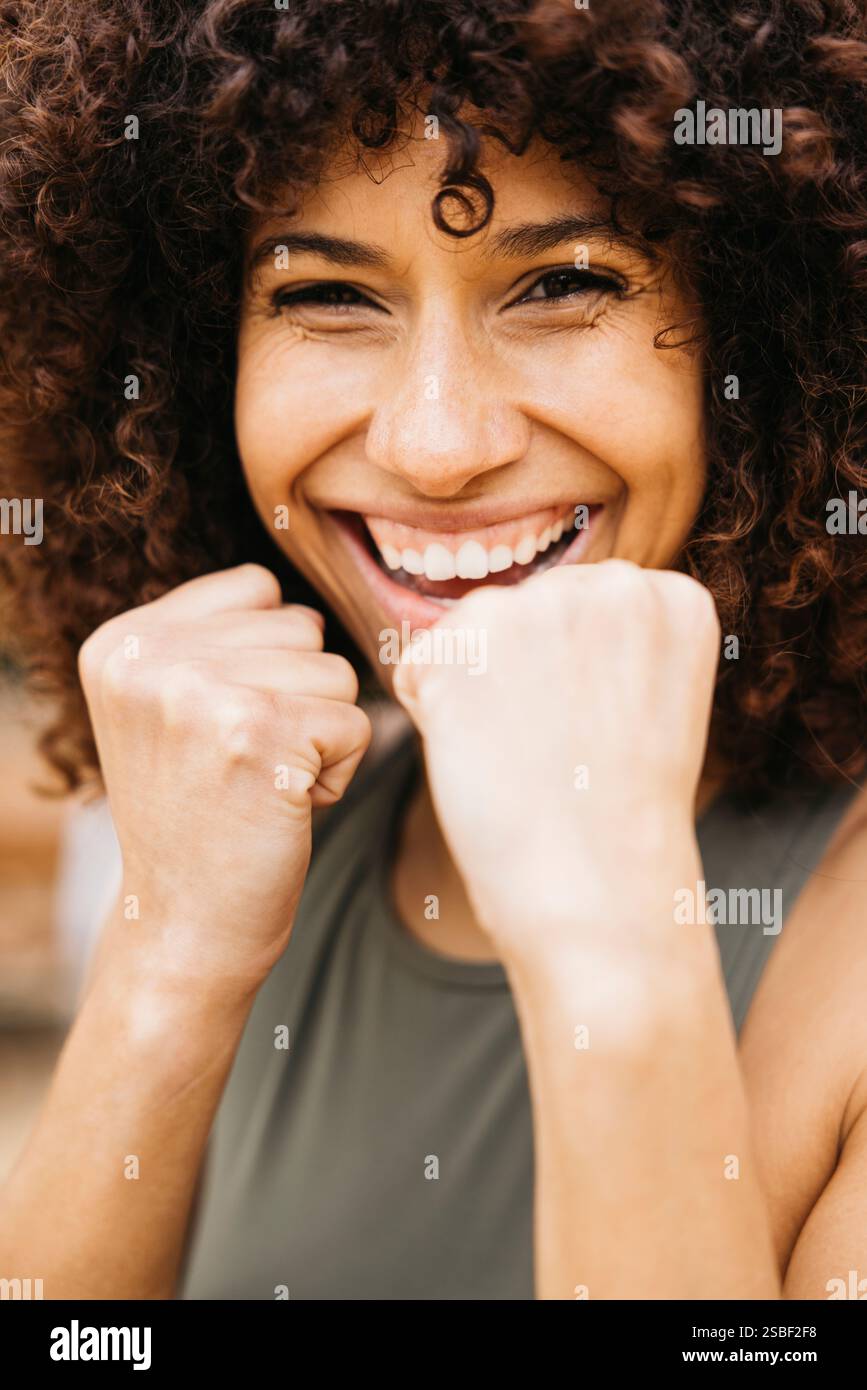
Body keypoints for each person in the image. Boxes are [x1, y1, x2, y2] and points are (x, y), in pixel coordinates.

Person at [1, 0, 866, 1301]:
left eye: (566, 282)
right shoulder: (250, 844)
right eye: (327, 294)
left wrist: (613, 957)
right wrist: (169, 954)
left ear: (770, 330)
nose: (436, 442)